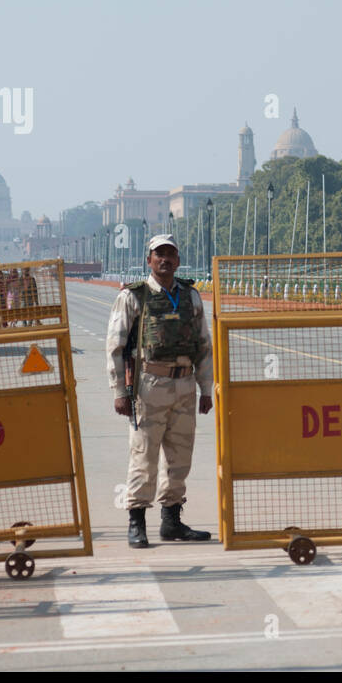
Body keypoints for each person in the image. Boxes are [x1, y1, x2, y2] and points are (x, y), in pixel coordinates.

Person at [106, 233, 214, 548]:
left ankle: (172, 521)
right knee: (143, 455)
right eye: (159, 254)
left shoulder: (191, 297)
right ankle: (136, 521)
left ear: (178, 260)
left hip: (184, 385)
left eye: (170, 254)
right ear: (149, 260)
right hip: (148, 386)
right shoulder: (133, 297)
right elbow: (115, 346)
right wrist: (119, 391)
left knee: (180, 457)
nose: (165, 260)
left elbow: (204, 346)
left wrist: (205, 387)